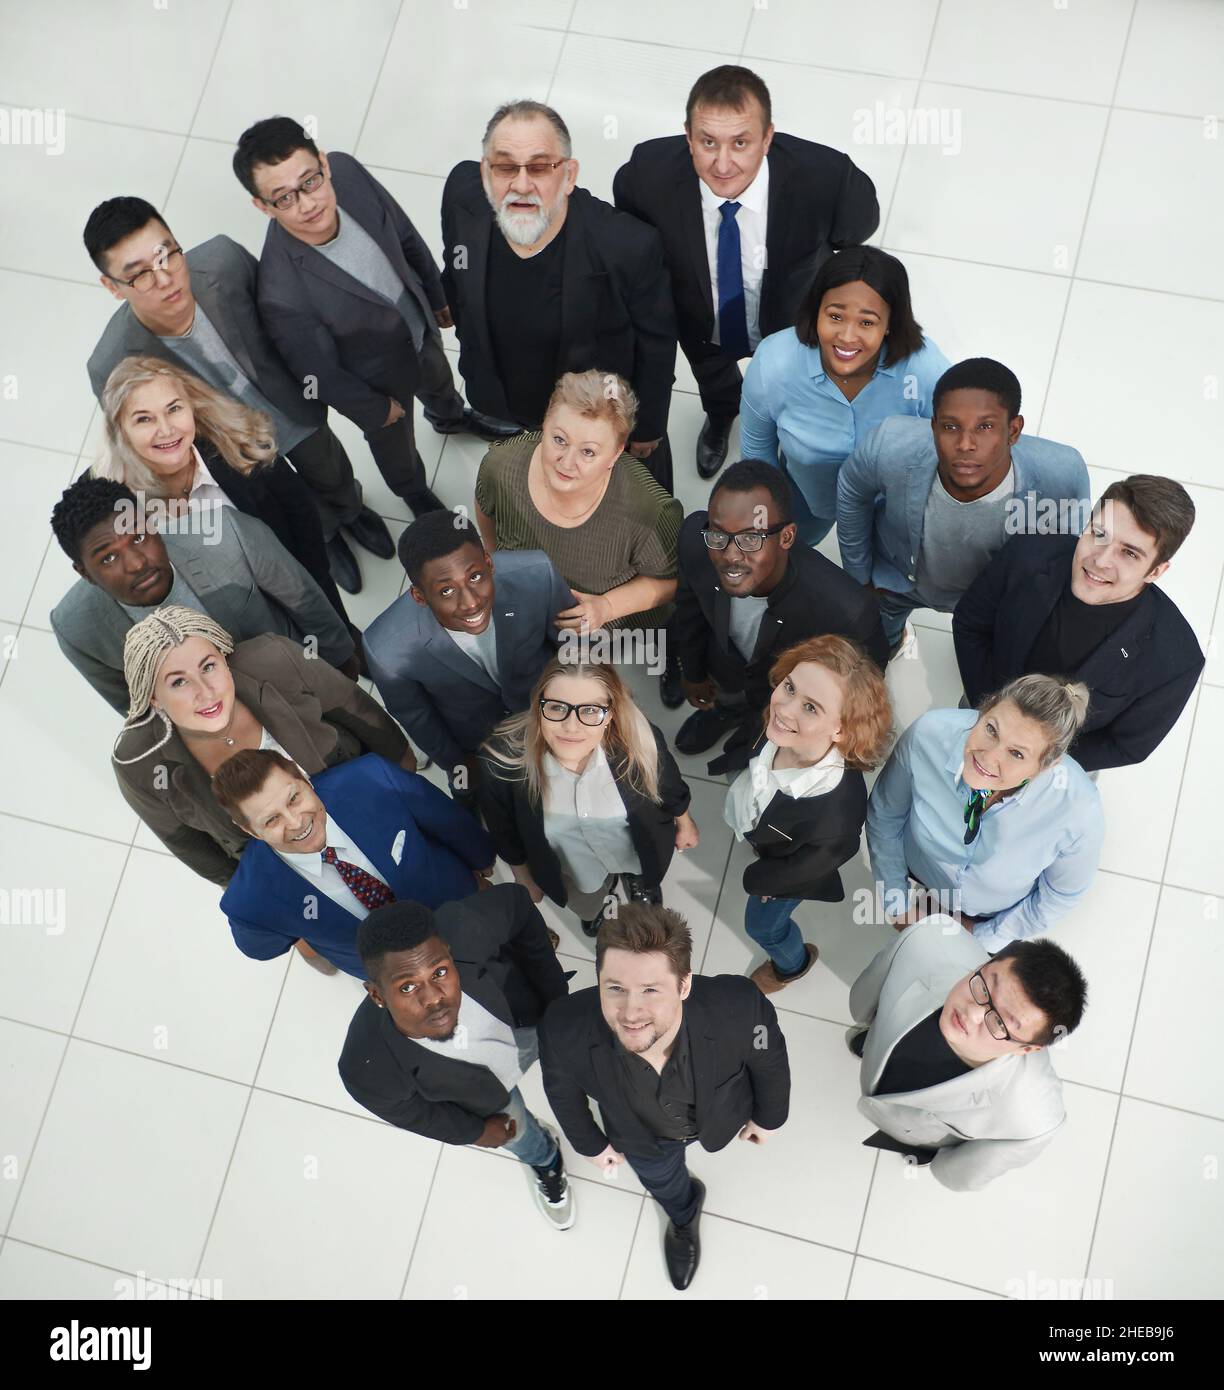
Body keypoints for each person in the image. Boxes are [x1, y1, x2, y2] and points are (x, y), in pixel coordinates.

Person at [83, 195, 391, 597]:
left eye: (167, 256)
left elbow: (282, 315)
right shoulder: (112, 363)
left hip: (286, 404)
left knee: (329, 466)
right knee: (288, 498)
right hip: (228, 447)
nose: (164, 278)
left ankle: (351, 510)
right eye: (139, 274)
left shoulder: (223, 261)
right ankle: (327, 535)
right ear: (112, 286)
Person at [614, 64, 879, 479]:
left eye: (740, 142)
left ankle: (783, 433)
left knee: (789, 386)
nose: (722, 164)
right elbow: (633, 232)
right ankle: (721, 416)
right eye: (707, 142)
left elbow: (857, 231)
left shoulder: (826, 178)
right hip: (700, 319)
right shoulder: (648, 172)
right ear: (688, 136)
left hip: (790, 322)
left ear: (767, 137)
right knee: (715, 380)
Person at [237, 117, 484, 540]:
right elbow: (320, 374)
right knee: (397, 449)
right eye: (284, 198)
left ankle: (448, 416)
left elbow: (403, 232)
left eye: (311, 181)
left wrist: (437, 294)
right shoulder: (281, 291)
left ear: (324, 164)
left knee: (441, 380)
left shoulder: (348, 172)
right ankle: (413, 490)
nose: (307, 204)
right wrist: (376, 410)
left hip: (419, 323)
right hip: (378, 384)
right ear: (263, 206)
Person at [538, 904, 790, 1289]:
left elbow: (768, 1055)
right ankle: (684, 1214)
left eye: (650, 990)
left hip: (722, 1113)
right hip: (640, 1138)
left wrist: (770, 1115)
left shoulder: (739, 1005)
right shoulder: (562, 1027)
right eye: (616, 988)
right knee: (664, 1184)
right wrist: (590, 1144)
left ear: (683, 985)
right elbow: (561, 1089)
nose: (630, 1012)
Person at [443, 100, 677, 490]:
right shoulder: (462, 196)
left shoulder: (626, 246)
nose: (520, 184)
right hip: (505, 399)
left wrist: (648, 428)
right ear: (486, 173)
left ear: (568, 175)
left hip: (593, 418)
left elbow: (656, 348)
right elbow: (455, 264)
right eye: (504, 166)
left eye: (538, 167)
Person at [111, 607, 413, 887]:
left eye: (209, 667)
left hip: (364, 801)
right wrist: (276, 906)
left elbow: (360, 712)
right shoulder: (138, 763)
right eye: (178, 682)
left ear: (223, 656)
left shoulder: (276, 658)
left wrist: (405, 781)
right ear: (153, 698)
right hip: (297, 868)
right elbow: (190, 847)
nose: (206, 692)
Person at [338, 888, 574, 1229]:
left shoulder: (464, 927)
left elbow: (517, 905)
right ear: (377, 994)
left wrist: (555, 999)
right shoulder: (366, 1068)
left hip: (526, 1025)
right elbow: (417, 1115)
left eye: (439, 973)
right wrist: (475, 1132)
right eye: (407, 987)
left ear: (448, 952)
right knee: (518, 1132)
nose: (434, 998)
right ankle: (546, 1159)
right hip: (480, 1096)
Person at [837, 357, 1091, 655]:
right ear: (933, 426)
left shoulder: (1063, 475)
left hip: (989, 604)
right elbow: (852, 489)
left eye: (985, 426)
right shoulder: (890, 444)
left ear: (1013, 430)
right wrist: (859, 576)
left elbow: (1063, 557)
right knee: (870, 650)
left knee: (989, 688)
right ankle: (890, 645)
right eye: (950, 426)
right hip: (896, 583)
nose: (965, 444)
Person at [953, 475, 1203, 772]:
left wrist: (1041, 763)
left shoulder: (1176, 660)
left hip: (1059, 764)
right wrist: (990, 711)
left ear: (1156, 571)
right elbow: (971, 624)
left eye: (1129, 552)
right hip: (985, 713)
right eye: (1098, 534)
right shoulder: (1028, 553)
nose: (1100, 560)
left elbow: (1126, 746)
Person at [50, 475, 355, 712]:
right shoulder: (76, 629)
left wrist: (340, 666)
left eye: (139, 537)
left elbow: (307, 604)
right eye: (108, 558)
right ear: (85, 573)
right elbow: (137, 709)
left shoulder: (227, 533)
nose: (137, 563)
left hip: (298, 683)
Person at [95, 354, 350, 629]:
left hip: (299, 584)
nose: (166, 429)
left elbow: (299, 510)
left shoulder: (241, 442)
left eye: (174, 409)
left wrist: (316, 579)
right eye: (144, 419)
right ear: (121, 431)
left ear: (191, 406)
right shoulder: (122, 507)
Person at [673, 459, 887, 771]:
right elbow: (689, 607)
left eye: (751, 539)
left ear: (786, 537)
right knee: (729, 694)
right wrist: (692, 673)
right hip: (726, 669)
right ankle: (725, 711)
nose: (730, 555)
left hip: (789, 704)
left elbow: (859, 690)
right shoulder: (696, 539)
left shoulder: (848, 612)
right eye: (719, 536)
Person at [866, 675, 1103, 953]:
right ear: (984, 709)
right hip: (922, 871)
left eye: (1016, 754)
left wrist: (983, 936)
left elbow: (1059, 894)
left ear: (1046, 766)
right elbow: (885, 816)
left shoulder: (1078, 811)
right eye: (991, 729)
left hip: (991, 913)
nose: (988, 758)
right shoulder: (927, 735)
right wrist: (898, 904)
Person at [847, 917, 1088, 1190]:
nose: (971, 1013)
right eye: (983, 988)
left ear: (1028, 1048)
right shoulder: (928, 939)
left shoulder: (1031, 1121)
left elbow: (961, 1174)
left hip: (917, 1135)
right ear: (984, 963)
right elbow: (866, 995)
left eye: (1000, 1023)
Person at [213, 749, 495, 977]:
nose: (296, 822)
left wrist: (481, 859)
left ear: (303, 778)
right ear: (250, 831)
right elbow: (260, 948)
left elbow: (446, 819)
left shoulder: (372, 778)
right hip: (399, 977)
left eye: (294, 799)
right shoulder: (249, 903)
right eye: (272, 820)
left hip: (464, 907)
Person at [740, 246, 950, 544]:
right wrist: (769, 519)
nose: (847, 337)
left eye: (867, 322)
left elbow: (956, 441)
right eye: (836, 316)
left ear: (890, 324)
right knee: (796, 557)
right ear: (816, 311)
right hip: (807, 498)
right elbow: (757, 448)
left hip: (892, 505)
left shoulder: (924, 368)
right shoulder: (774, 362)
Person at [364, 510, 573, 810]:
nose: (471, 602)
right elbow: (419, 720)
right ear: (419, 596)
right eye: (446, 590)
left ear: (489, 563)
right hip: (477, 740)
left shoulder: (538, 574)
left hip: (547, 707)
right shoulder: (386, 651)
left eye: (475, 577)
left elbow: (574, 648)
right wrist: (459, 763)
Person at [479, 659, 698, 938]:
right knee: (587, 901)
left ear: (610, 715)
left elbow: (667, 784)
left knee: (641, 869)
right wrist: (522, 875)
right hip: (574, 871)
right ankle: (595, 910)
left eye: (591, 710)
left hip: (632, 851)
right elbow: (503, 828)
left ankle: (639, 883)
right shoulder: (502, 762)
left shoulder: (639, 739)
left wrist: (685, 820)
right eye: (557, 707)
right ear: (539, 707)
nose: (571, 727)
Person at [725, 636, 892, 993]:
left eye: (811, 707)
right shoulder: (776, 726)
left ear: (842, 730)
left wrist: (770, 882)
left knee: (763, 927)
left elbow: (815, 862)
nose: (784, 709)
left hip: (787, 874)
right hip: (770, 834)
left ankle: (791, 964)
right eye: (789, 688)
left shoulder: (835, 815)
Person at [474, 370, 682, 632]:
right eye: (559, 439)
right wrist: (500, 569)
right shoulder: (500, 466)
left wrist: (606, 607)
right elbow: (485, 510)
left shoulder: (650, 510)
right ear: (544, 425)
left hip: (599, 629)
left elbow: (669, 582)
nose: (567, 462)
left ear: (616, 453)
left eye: (588, 451)